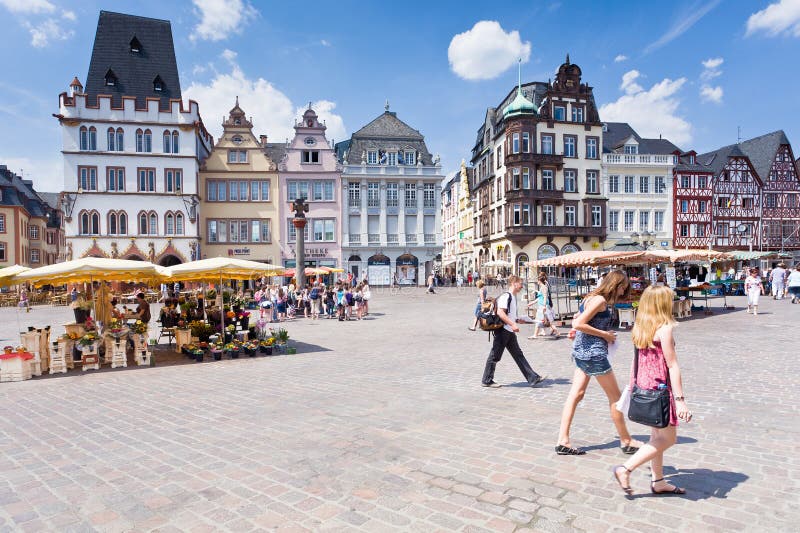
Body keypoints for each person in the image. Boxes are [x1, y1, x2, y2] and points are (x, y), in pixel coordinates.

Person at [613, 285, 692, 496]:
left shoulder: (640, 327)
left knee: (657, 436)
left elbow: (635, 361)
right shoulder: (665, 329)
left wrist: (632, 386)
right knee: (668, 439)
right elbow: (672, 365)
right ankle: (625, 468)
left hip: (644, 386)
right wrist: (680, 400)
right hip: (660, 388)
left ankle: (658, 481)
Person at [555, 269, 640, 456]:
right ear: (616, 285)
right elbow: (578, 323)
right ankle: (626, 440)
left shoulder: (590, 297)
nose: (622, 292)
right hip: (594, 354)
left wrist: (577, 332)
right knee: (615, 399)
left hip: (581, 352)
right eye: (622, 288)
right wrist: (606, 335)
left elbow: (577, 320)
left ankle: (563, 440)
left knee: (576, 395)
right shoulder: (600, 301)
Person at [480, 275, 546, 388]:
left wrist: (518, 320)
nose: (521, 286)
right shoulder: (506, 296)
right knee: (495, 355)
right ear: (514, 283)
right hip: (503, 330)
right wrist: (512, 324)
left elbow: (509, 315)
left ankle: (532, 378)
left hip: (509, 331)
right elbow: (501, 313)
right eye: (520, 283)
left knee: (518, 354)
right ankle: (486, 380)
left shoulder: (512, 297)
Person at [529, 272, 560, 339]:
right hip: (542, 306)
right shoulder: (542, 287)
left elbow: (545, 297)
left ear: (540, 281)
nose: (537, 282)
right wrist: (532, 303)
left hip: (543, 306)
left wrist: (544, 306)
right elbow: (540, 297)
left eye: (537, 280)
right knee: (545, 321)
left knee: (542, 321)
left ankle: (535, 335)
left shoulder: (544, 287)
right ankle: (556, 333)